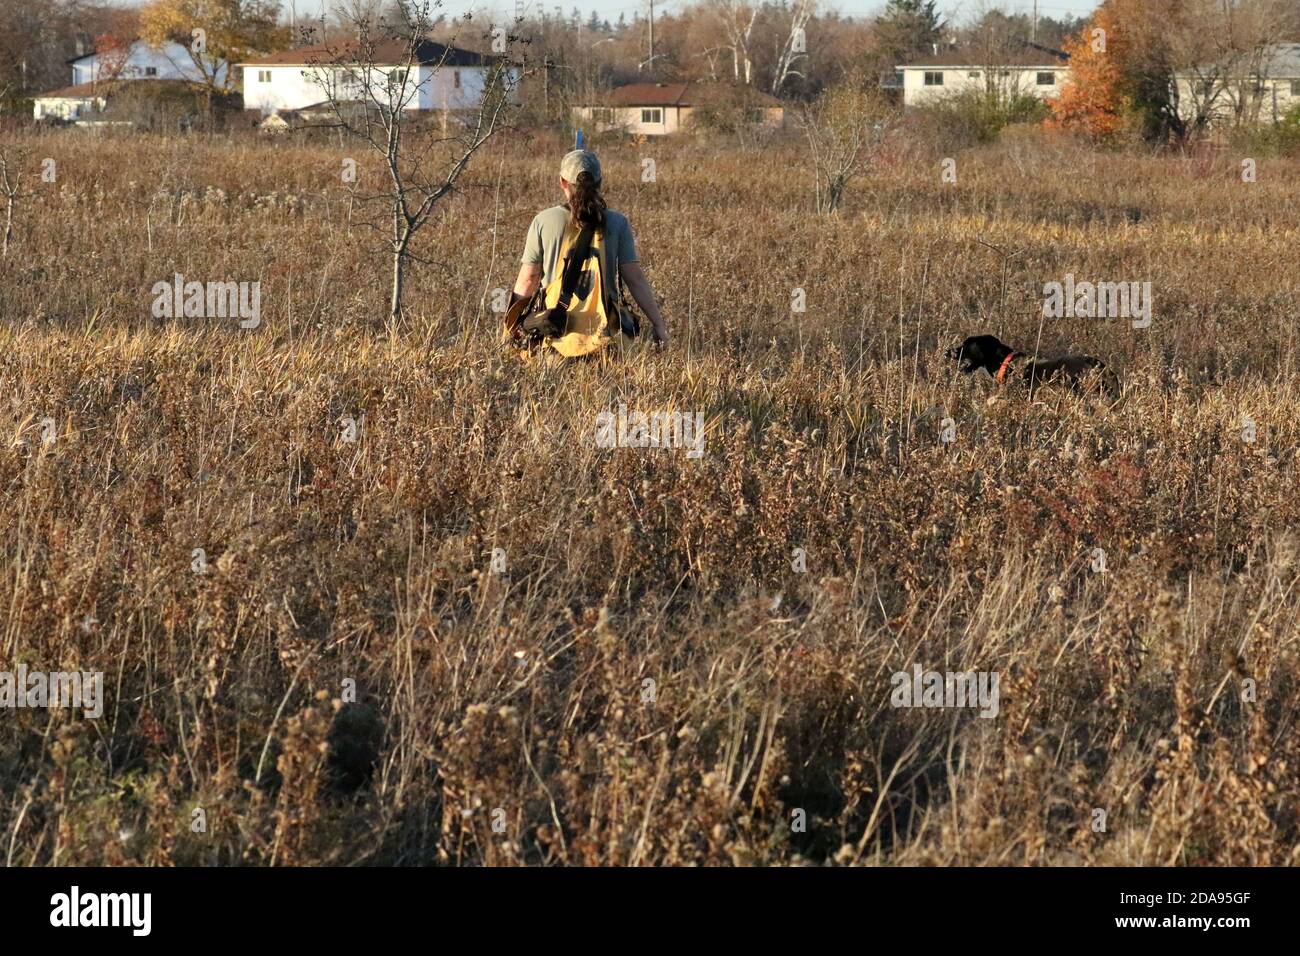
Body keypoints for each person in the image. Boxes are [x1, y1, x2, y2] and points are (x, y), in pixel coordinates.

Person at [511, 149, 668, 345]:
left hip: (554, 334)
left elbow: (528, 280)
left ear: (562, 182)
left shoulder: (543, 221)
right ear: (600, 182)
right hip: (606, 337)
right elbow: (634, 278)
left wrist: (509, 328)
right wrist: (658, 324)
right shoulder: (618, 223)